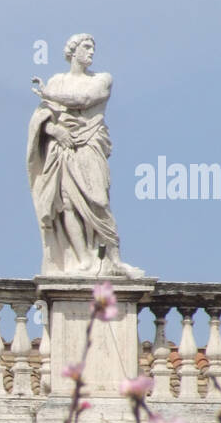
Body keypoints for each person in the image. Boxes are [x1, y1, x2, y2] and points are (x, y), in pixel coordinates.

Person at [27, 33, 142, 278]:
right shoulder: (57, 81)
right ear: (73, 51)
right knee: (66, 203)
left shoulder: (102, 79)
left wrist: (48, 94)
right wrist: (55, 130)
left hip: (90, 144)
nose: (91, 52)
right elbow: (41, 120)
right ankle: (82, 261)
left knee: (98, 201)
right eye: (87, 47)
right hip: (64, 148)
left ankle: (115, 260)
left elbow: (84, 100)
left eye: (93, 48)